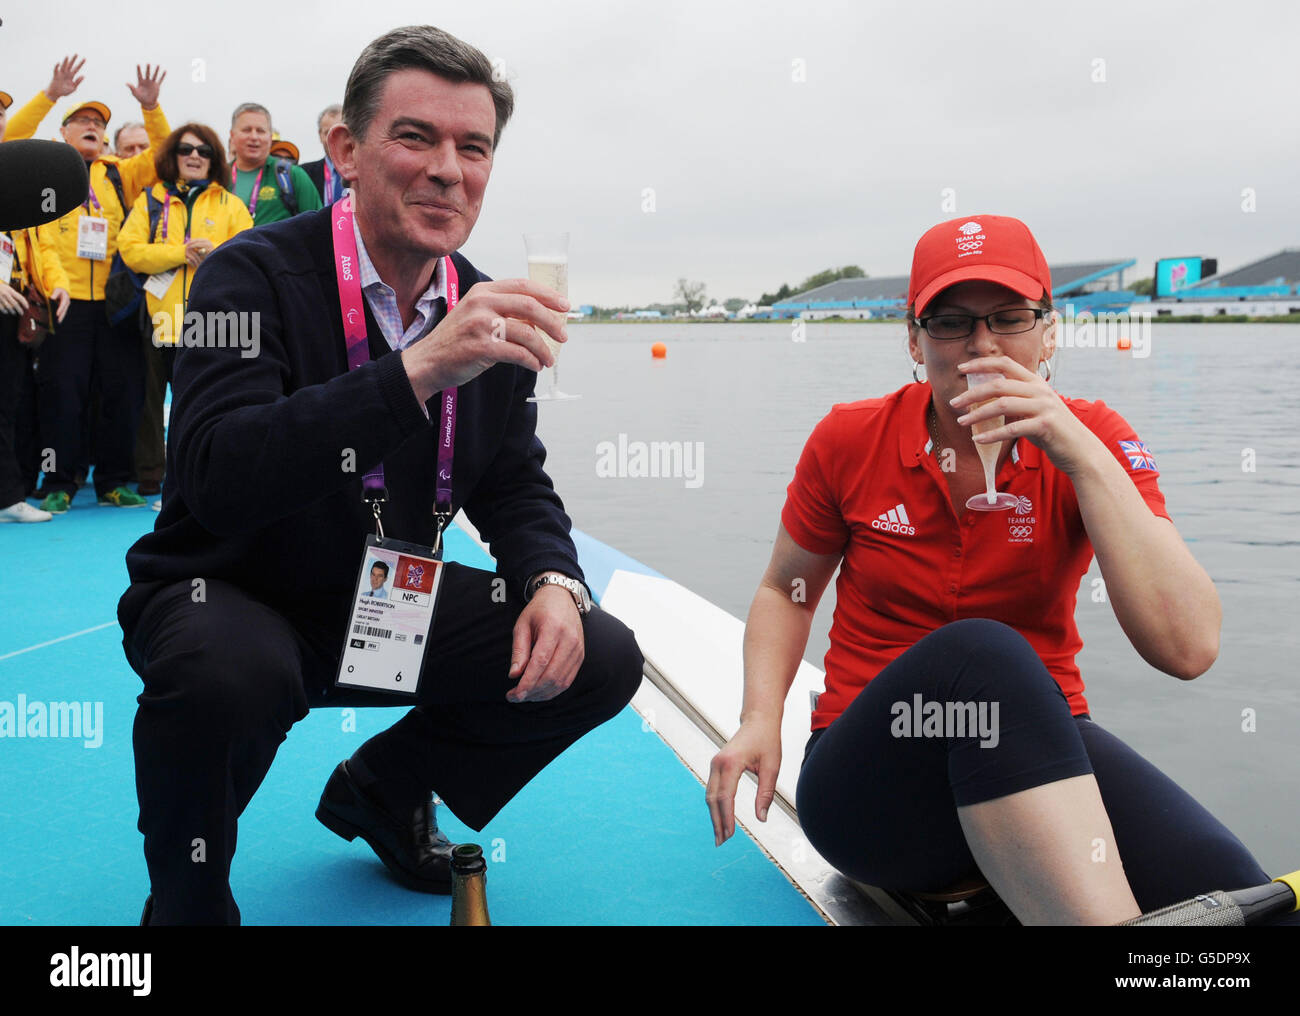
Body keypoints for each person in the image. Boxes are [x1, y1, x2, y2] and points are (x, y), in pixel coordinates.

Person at [118, 24, 643, 926]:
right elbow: (214, 474)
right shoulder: (249, 276)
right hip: (235, 589)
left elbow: (513, 482)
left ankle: (383, 788)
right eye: (416, 137)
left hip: (382, 598)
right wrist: (417, 370)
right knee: (223, 673)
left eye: (472, 147)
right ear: (345, 152)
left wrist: (553, 581)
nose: (449, 169)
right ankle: (188, 900)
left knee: (598, 653)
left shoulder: (483, 305)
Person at [706, 214, 1294, 926]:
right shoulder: (849, 438)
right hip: (875, 781)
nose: (982, 345)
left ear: (1049, 334)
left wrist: (1076, 452)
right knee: (982, 653)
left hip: (1037, 753)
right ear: (915, 342)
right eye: (951, 322)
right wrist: (759, 719)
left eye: (1009, 318)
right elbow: (785, 590)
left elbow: (1189, 648)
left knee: (1249, 903)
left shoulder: (1095, 440)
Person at [32, 65, 170, 514]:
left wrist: (151, 107)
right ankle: (59, 481)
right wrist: (55, 285)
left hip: (115, 305)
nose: (93, 126)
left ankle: (115, 479)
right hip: (65, 300)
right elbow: (45, 238)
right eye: (83, 121)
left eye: (99, 123)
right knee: (62, 392)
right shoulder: (47, 168)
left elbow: (164, 155)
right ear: (63, 131)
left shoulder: (118, 173)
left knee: (122, 391)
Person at [117, 123, 253, 498]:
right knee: (149, 399)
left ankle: (195, 476)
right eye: (186, 149)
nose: (195, 156)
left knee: (201, 402)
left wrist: (215, 255)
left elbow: (246, 256)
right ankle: (149, 477)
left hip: (214, 322)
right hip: (158, 316)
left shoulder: (232, 204)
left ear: (214, 159)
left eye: (204, 150)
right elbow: (129, 250)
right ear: (172, 156)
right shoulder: (150, 200)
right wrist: (180, 253)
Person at [227, 103, 322, 225]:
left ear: (270, 137)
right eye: (247, 130)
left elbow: (318, 227)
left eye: (261, 131)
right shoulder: (218, 177)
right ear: (232, 135)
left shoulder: (292, 175)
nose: (254, 136)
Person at [300, 103, 345, 204]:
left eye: (339, 132)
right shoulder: (303, 174)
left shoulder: (365, 172)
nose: (334, 138)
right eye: (327, 132)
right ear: (320, 135)